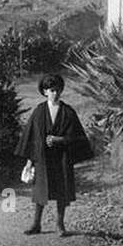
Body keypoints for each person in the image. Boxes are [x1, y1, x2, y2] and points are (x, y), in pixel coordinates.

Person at [15, 73, 94, 236]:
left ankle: (60, 225)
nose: (55, 93)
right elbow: (33, 138)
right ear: (44, 92)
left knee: (62, 191)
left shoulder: (68, 112)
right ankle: (36, 224)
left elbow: (77, 136)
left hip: (62, 158)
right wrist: (30, 162)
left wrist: (60, 139)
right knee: (40, 191)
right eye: (51, 90)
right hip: (42, 158)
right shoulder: (39, 111)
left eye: (58, 90)